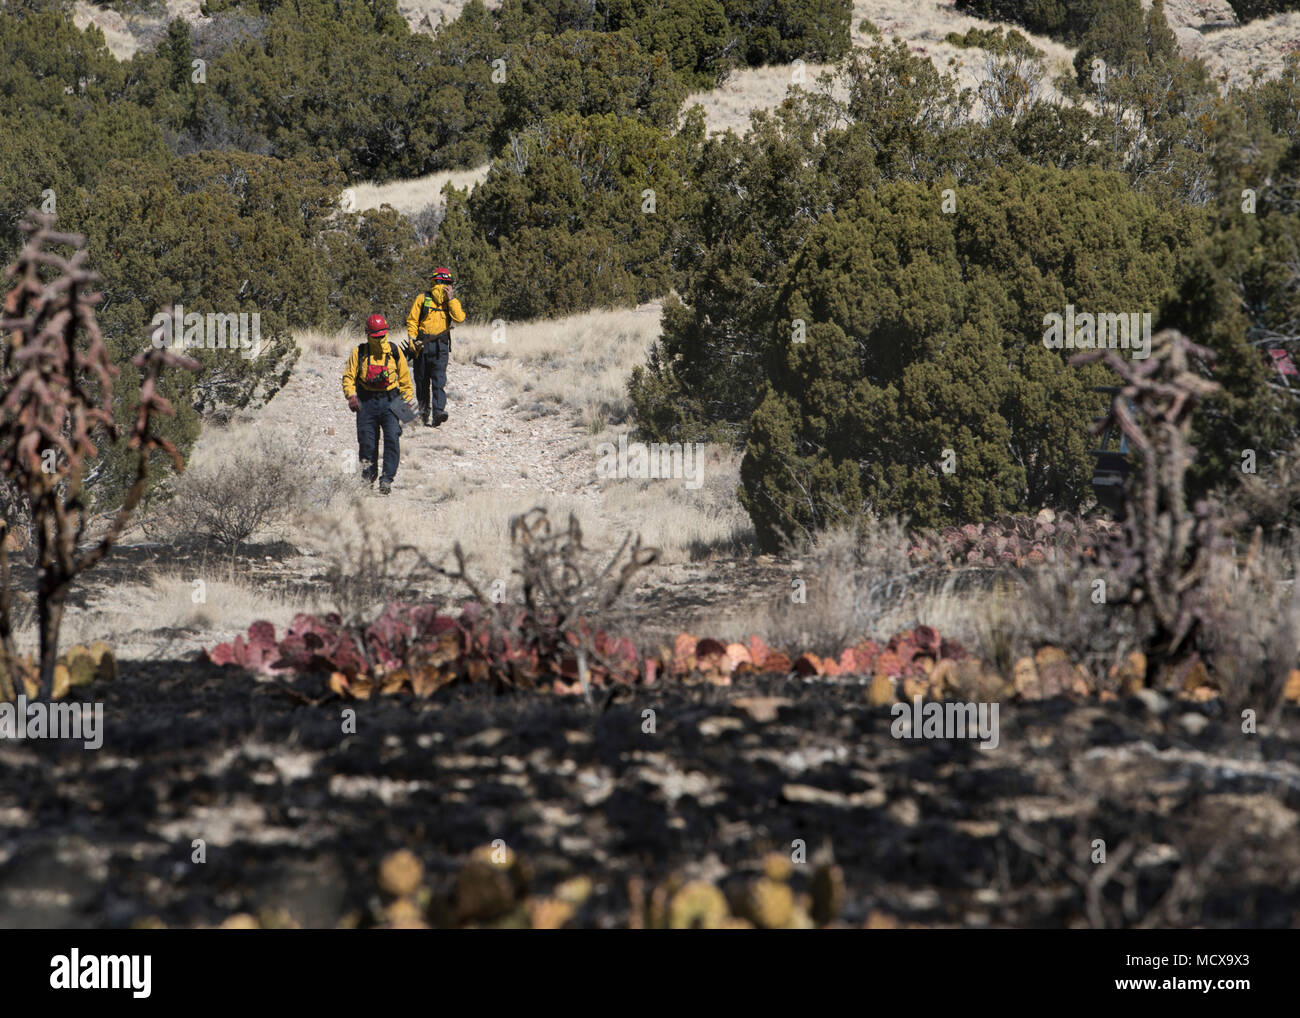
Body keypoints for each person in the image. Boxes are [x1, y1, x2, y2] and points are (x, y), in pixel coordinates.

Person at [342, 313, 416, 495]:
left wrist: (405, 400)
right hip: (365, 401)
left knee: (392, 439)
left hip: (391, 400)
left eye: (382, 335)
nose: (380, 339)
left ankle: (387, 480)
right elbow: (349, 377)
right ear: (368, 335)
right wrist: (351, 395)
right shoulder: (358, 353)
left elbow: (405, 380)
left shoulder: (395, 351)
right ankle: (367, 479)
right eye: (376, 336)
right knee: (367, 442)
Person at [404, 267, 466, 427]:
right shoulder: (423, 299)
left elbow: (459, 318)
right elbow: (413, 321)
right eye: (442, 282)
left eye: (446, 283)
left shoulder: (450, 302)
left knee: (434, 380)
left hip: (439, 345)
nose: (444, 286)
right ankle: (426, 414)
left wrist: (451, 299)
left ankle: (436, 412)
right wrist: (412, 340)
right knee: (425, 380)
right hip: (423, 345)